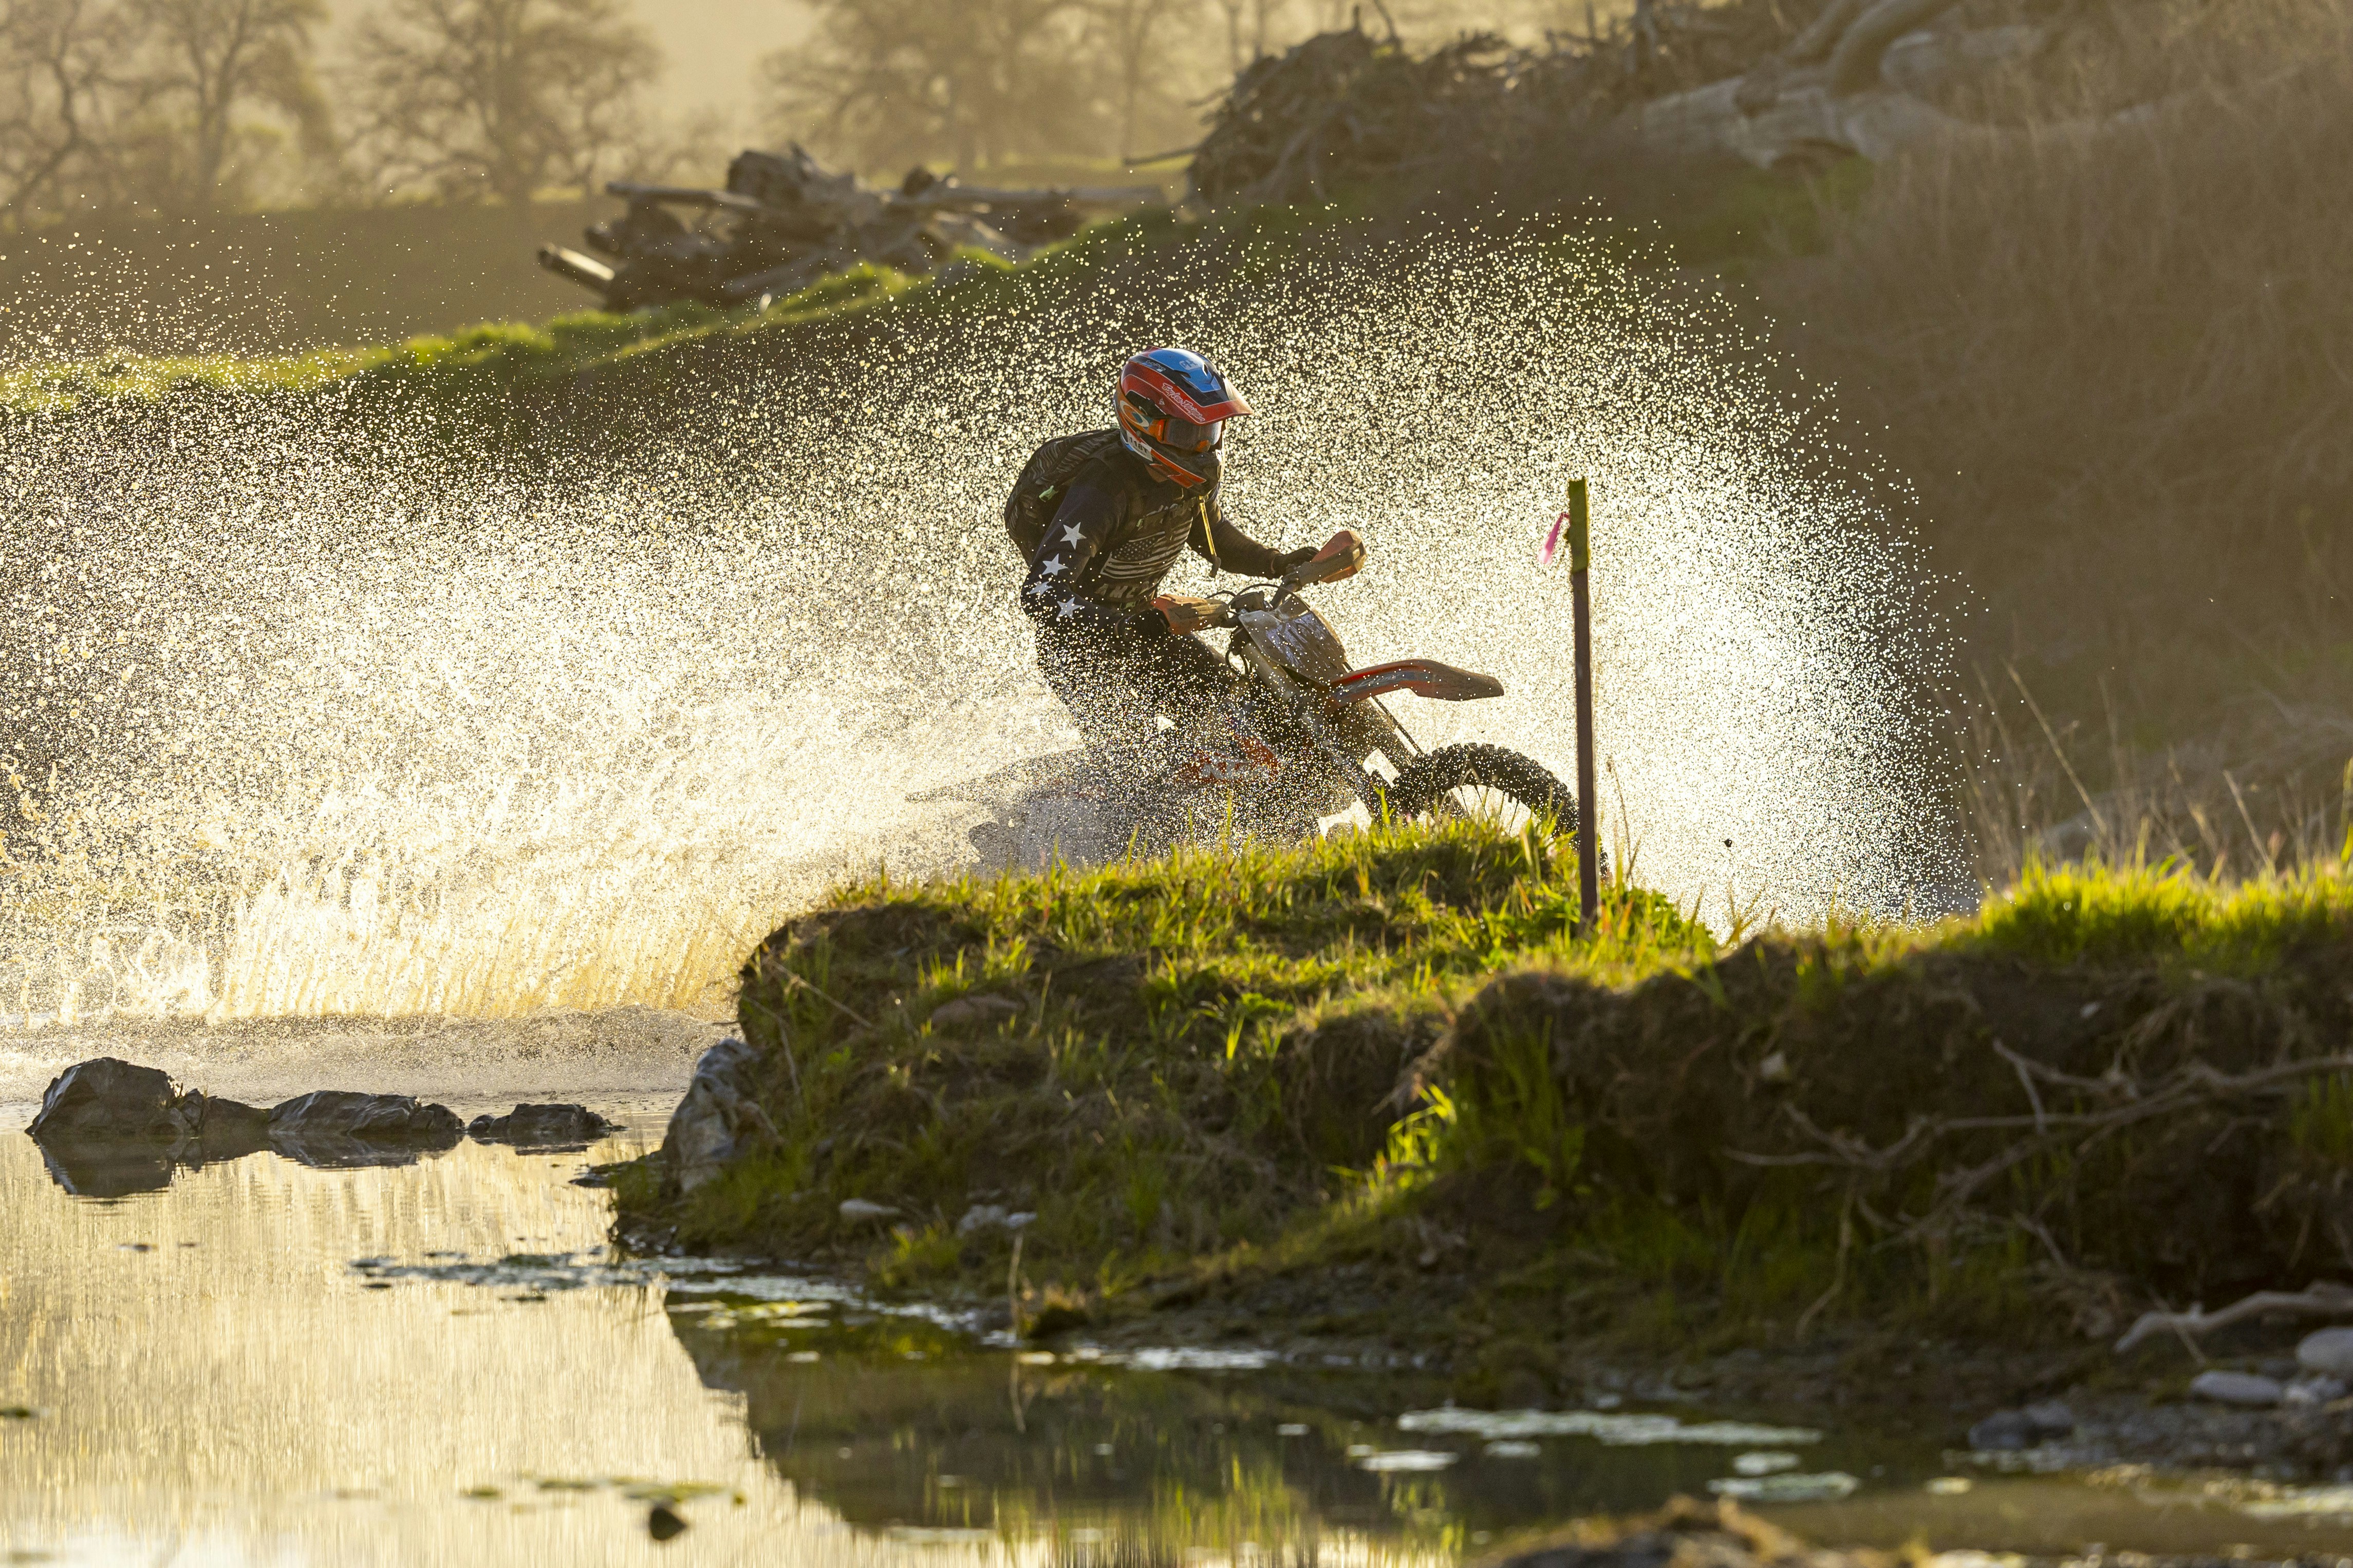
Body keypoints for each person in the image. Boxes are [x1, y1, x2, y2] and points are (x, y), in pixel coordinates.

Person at [1005, 348, 1315, 762]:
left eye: (1210, 433)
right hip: (1081, 650)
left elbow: (1214, 535)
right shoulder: (1104, 490)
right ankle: (1111, 817)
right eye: (1189, 435)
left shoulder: (1186, 482)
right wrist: (1133, 628)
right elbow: (1040, 593)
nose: (1203, 446)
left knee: (1239, 720)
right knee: (1137, 766)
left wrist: (1278, 563)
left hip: (1148, 626)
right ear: (1143, 425)